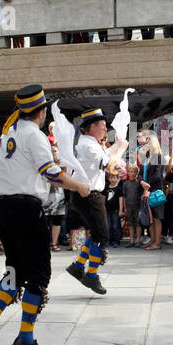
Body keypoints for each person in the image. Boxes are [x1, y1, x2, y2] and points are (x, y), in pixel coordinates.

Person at [0, 85, 90, 345]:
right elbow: (50, 174)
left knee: (14, 268)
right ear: (40, 112)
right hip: (24, 209)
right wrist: (78, 185)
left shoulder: (9, 134)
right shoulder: (35, 135)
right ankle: (25, 337)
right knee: (39, 274)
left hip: (2, 206)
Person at [65, 107, 127, 293]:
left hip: (89, 194)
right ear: (92, 127)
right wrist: (122, 148)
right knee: (102, 235)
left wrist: (116, 146)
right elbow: (110, 165)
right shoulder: (88, 145)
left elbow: (106, 157)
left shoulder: (89, 143)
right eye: (103, 126)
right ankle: (91, 276)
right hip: (89, 195)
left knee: (98, 232)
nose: (105, 129)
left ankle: (78, 266)